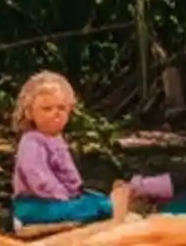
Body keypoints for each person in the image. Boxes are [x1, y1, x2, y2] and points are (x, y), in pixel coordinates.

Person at [11, 71, 168, 229]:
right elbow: (38, 177)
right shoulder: (31, 142)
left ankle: (120, 201)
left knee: (96, 200)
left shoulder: (57, 139)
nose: (55, 114)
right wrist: (65, 196)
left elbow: (69, 174)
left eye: (61, 108)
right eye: (47, 109)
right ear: (29, 113)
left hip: (60, 200)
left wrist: (76, 191)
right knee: (96, 207)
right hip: (36, 205)